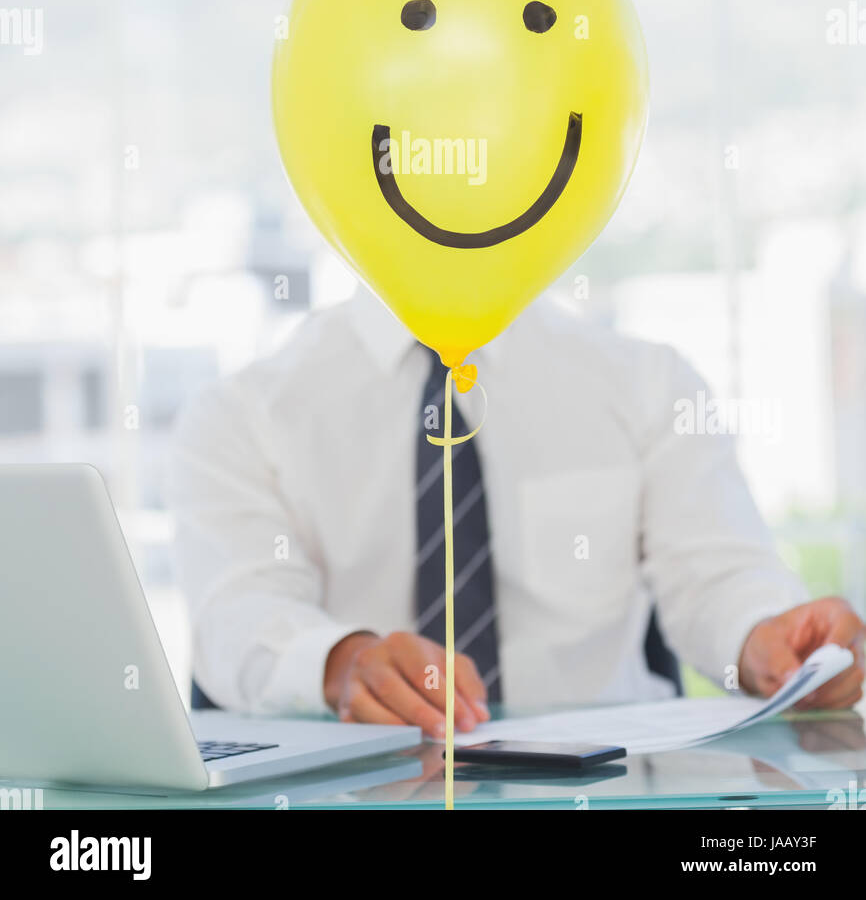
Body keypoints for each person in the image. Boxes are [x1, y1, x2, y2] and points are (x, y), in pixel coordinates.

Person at [170, 286, 865, 737]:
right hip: (360, 791)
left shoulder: (646, 382)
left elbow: (716, 579)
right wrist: (340, 664)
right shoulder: (243, 413)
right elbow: (236, 614)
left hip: (613, 794)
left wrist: (771, 645)